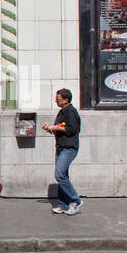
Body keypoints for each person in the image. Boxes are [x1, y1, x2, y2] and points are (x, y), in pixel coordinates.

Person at [42, 87, 82, 215]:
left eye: (58, 99)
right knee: (63, 175)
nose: (56, 101)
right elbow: (60, 128)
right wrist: (50, 128)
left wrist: (54, 127)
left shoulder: (71, 112)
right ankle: (63, 205)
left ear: (66, 100)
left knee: (59, 174)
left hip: (69, 147)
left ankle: (75, 200)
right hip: (61, 146)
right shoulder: (62, 112)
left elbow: (70, 129)